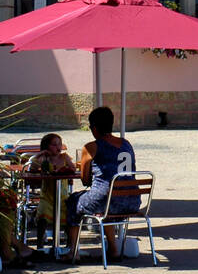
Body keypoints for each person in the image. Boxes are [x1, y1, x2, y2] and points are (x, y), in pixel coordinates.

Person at [65, 107, 138, 262]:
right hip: (132, 201)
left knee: (74, 201)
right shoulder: (126, 144)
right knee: (106, 200)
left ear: (95, 128)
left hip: (106, 201)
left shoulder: (91, 147)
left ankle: (73, 252)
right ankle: (113, 249)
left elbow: (85, 180)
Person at [26, 132, 74, 248]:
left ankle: (69, 245)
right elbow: (31, 166)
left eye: (59, 144)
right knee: (42, 217)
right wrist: (40, 154)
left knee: (68, 216)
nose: (58, 147)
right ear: (46, 146)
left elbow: (73, 168)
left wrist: (66, 169)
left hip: (62, 196)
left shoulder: (64, 157)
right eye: (54, 145)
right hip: (46, 197)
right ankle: (40, 245)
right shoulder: (43, 159)